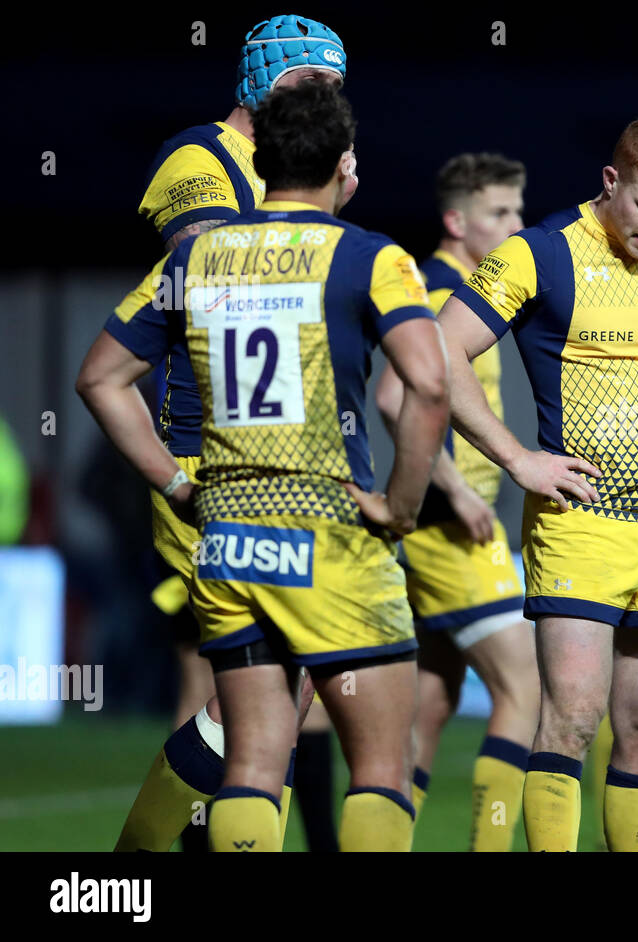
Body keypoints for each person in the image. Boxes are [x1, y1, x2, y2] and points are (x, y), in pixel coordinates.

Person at [78, 83, 447, 851]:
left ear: (261, 161)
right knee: (380, 769)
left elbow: (100, 379)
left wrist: (177, 483)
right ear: (345, 166)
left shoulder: (196, 257)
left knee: (249, 760)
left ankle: (128, 868)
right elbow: (430, 383)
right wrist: (401, 506)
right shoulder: (368, 257)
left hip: (227, 536)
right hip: (331, 531)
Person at [434, 114, 638, 851]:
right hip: (580, 523)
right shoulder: (542, 253)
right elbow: (439, 350)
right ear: (611, 181)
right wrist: (516, 458)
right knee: (574, 721)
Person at [115, 14, 354, 853]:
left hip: (279, 459)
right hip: (207, 454)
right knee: (260, 706)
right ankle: (139, 862)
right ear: (258, 83)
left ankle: (155, 859)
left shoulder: (298, 172)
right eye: (307, 86)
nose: (327, 102)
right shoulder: (200, 160)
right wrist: (327, 222)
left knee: (263, 705)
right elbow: (212, 270)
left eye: (334, 88)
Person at [374, 153, 539, 850]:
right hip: (448, 526)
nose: (516, 225)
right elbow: (392, 398)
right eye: (500, 213)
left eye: (518, 210)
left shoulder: (458, 285)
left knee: (428, 708)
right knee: (525, 692)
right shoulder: (441, 288)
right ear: (456, 220)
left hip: (434, 528)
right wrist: (457, 487)